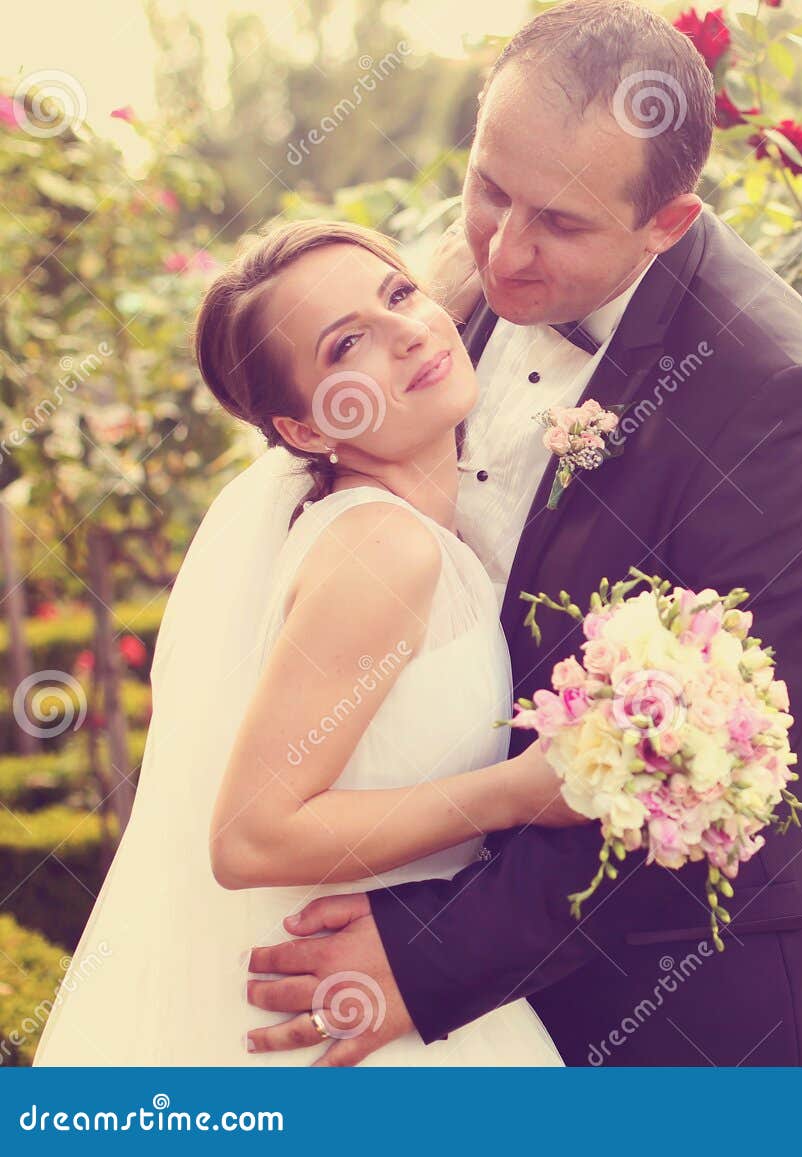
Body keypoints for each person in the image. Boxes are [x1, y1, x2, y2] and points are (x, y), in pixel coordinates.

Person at [244, 0, 802, 1066]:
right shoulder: (446, 298)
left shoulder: (776, 400)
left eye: (564, 224)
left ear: (666, 222)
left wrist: (429, 952)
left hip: (676, 990)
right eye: (489, 187)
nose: (504, 247)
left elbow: (696, 766)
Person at [35, 221, 569, 1066]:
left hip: (402, 993)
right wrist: (519, 792)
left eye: (400, 294)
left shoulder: (398, 531)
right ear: (310, 429)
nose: (406, 332)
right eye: (346, 345)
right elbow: (251, 836)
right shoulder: (383, 550)